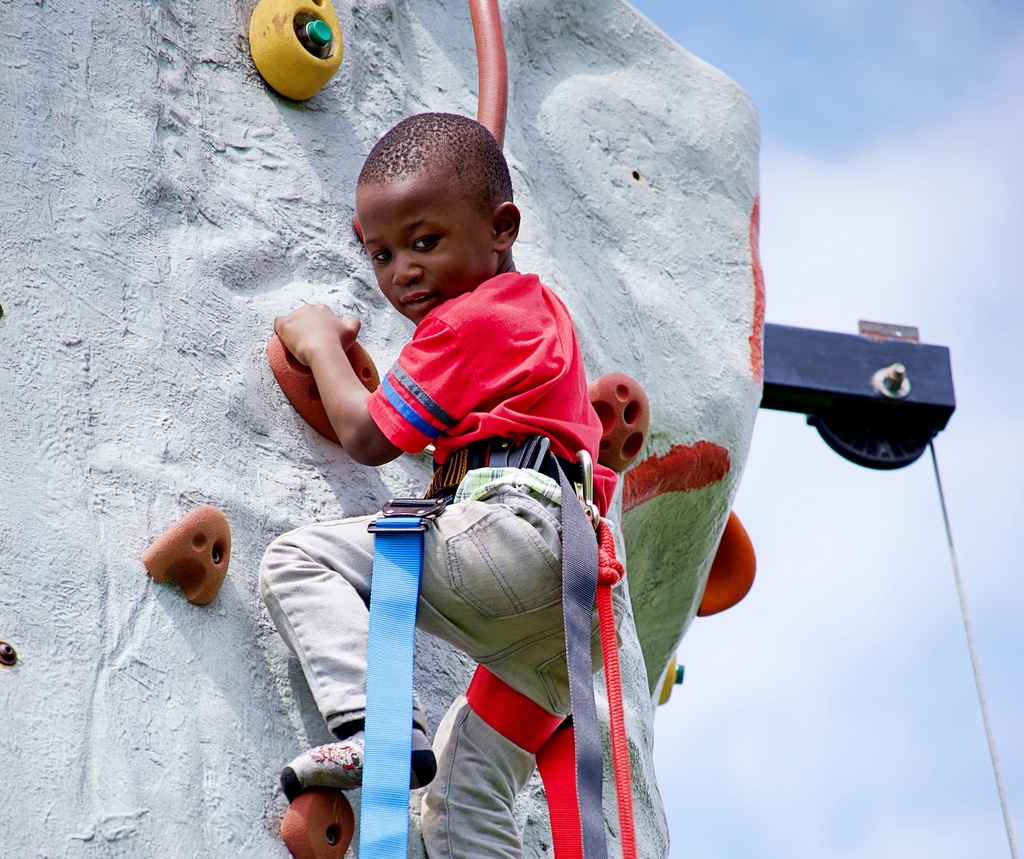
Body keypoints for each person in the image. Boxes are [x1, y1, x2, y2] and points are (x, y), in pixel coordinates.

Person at [260, 112, 622, 858]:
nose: (402, 273)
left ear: (501, 228)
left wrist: (321, 342)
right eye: (382, 254)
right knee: (462, 796)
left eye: (425, 242)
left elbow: (366, 435)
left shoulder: (469, 321)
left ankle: (374, 725)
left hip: (518, 539)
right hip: (571, 615)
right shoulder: (539, 314)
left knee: (297, 560)